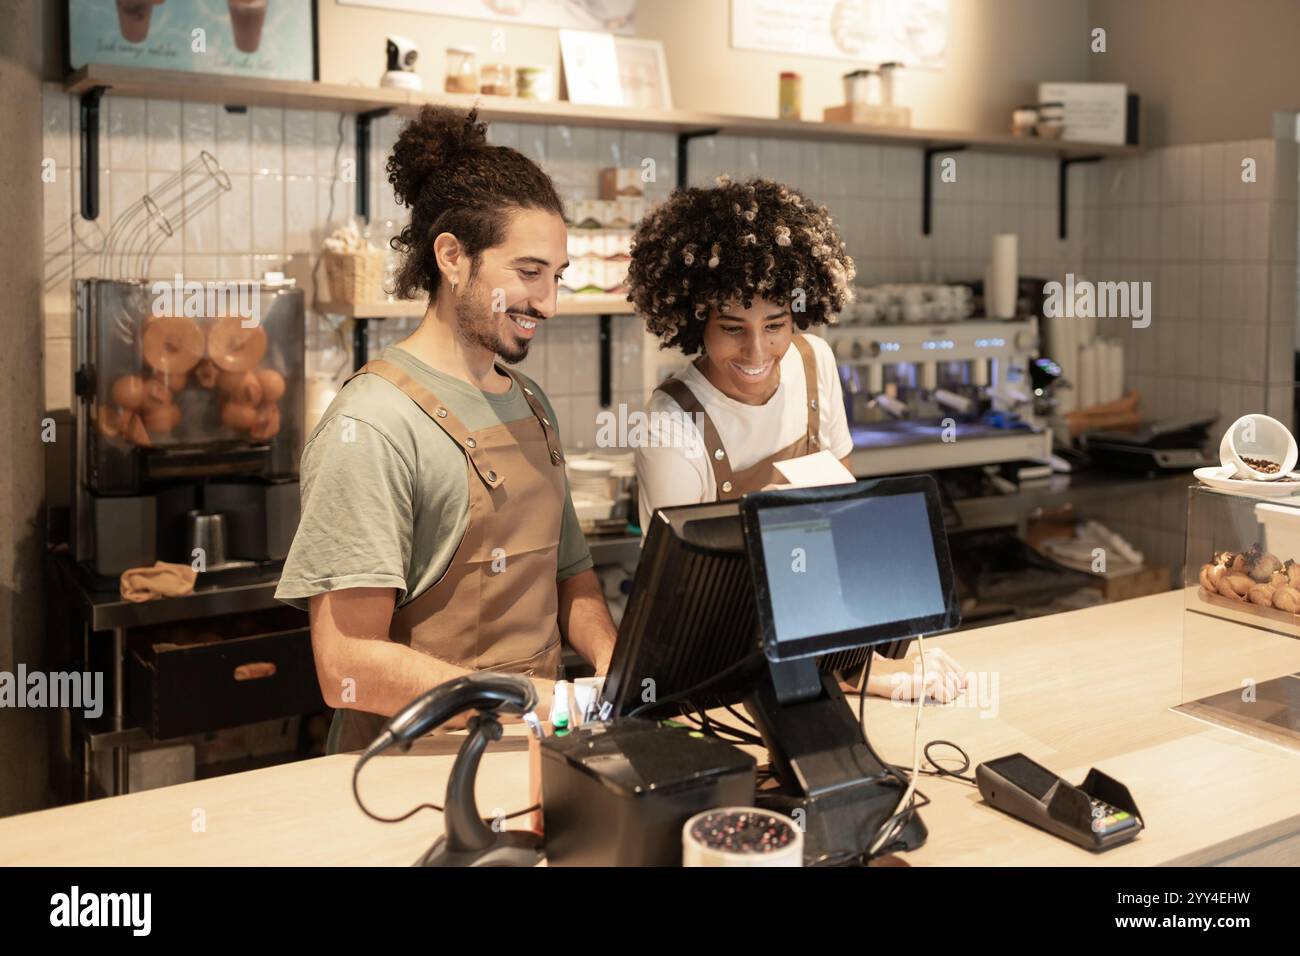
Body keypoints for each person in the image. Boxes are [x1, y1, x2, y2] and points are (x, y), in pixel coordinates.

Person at [276, 107, 617, 754]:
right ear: (453, 257)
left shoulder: (531, 402)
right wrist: (544, 701)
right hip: (409, 775)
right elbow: (346, 668)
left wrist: (615, 670)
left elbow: (571, 576)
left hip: (536, 755)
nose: (548, 303)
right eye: (527, 272)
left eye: (556, 276)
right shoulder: (373, 425)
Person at [627, 175, 965, 702]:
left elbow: (840, 512)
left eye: (776, 324)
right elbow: (682, 591)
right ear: (695, 323)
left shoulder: (815, 362)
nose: (758, 352)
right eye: (733, 327)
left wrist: (861, 654)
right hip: (716, 666)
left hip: (818, 633)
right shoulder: (670, 423)